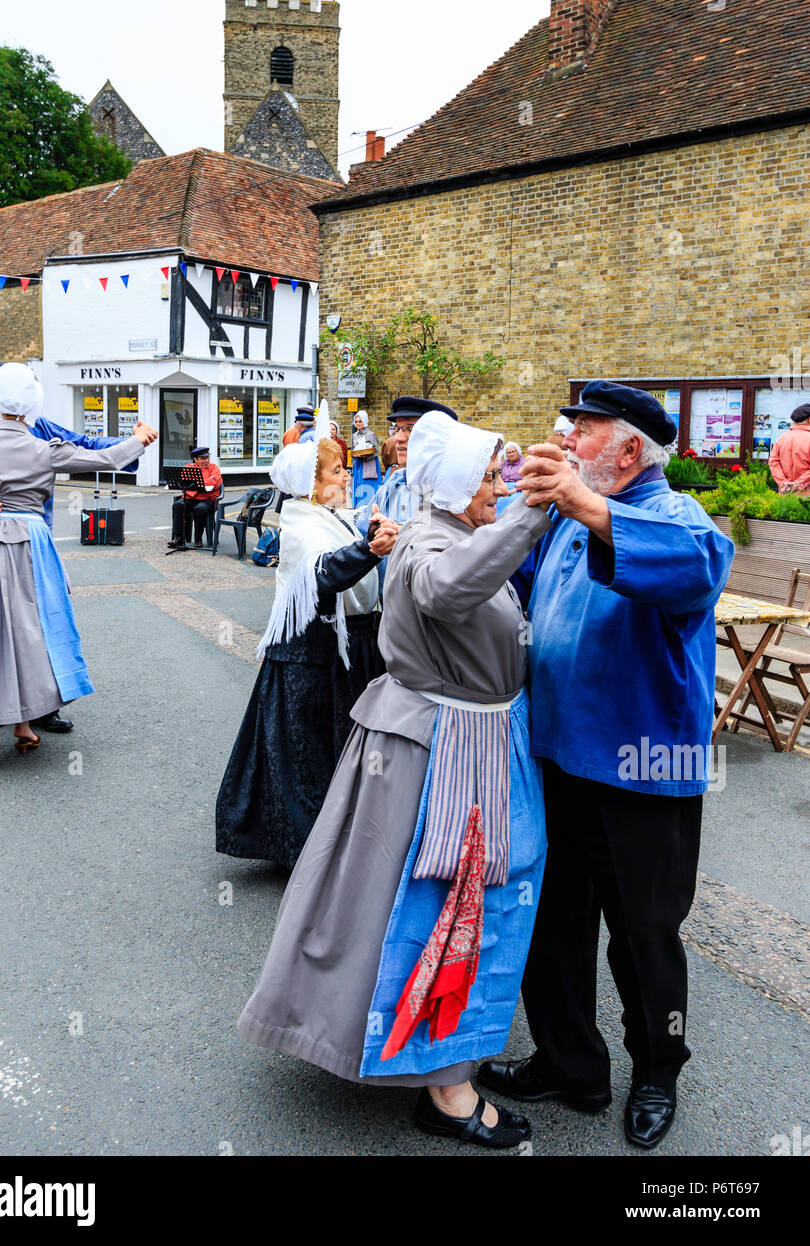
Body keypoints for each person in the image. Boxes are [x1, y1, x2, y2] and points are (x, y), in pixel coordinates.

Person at [237, 411, 552, 1149]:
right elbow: (447, 594)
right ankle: (445, 1087)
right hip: (446, 749)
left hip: (456, 742)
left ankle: (397, 1044)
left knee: (403, 897)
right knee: (447, 899)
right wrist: (534, 514)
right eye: (487, 478)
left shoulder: (455, 532)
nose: (497, 488)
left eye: (499, 479)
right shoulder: (431, 541)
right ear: (450, 485)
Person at [478, 381, 735, 1150]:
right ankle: (570, 1063)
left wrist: (581, 505)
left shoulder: (674, 516)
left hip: (643, 767)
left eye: (583, 431)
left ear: (629, 450)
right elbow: (506, 586)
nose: (567, 439)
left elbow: (697, 567)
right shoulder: (568, 515)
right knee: (553, 922)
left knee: (644, 932)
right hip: (557, 755)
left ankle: (658, 1069)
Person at [216, 404, 400, 870]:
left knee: (338, 747)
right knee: (308, 755)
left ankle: (339, 842)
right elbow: (325, 572)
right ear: (312, 483)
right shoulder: (299, 522)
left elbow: (347, 529)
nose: (346, 476)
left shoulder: (325, 513)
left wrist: (368, 528)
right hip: (310, 656)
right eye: (338, 470)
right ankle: (308, 852)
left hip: (345, 646)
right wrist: (369, 549)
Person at [0, 364, 156, 767]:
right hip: (30, 545)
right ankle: (24, 724)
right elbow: (105, 458)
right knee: (31, 630)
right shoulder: (46, 448)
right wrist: (139, 439)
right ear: (33, 405)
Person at [356, 396, 458, 589]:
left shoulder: (452, 488)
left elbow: (457, 545)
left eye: (410, 429)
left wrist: (402, 535)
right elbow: (361, 531)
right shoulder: (394, 483)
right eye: (397, 428)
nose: (399, 438)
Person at [167, 445, 224, 549]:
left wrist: (196, 483)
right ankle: (178, 537)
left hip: (208, 500)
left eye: (207, 457)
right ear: (195, 459)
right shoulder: (189, 467)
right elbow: (183, 483)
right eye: (203, 458)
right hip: (190, 498)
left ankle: (198, 539)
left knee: (199, 509)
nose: (206, 460)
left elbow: (215, 483)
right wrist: (202, 483)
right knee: (177, 505)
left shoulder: (214, 468)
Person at [769, 403, 810, 493]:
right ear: (809, 420)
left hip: (785, 494)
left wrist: (783, 483)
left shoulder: (782, 438)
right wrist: (797, 484)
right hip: (806, 498)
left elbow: (773, 462)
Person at [350, 409, 382, 512]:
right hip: (358, 465)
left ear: (365, 421)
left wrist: (365, 457)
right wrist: (354, 462)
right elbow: (353, 451)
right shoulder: (354, 436)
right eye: (357, 421)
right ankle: (358, 508)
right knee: (358, 485)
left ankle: (370, 508)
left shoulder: (371, 435)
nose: (358, 423)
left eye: (360, 421)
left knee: (368, 485)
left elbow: (375, 451)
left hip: (369, 464)